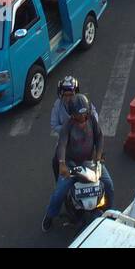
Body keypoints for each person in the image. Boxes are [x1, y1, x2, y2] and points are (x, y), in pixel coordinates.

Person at [42, 94, 114, 232]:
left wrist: (98, 156)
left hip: (90, 163)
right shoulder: (67, 127)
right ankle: (50, 215)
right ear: (72, 115)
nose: (82, 119)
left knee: (109, 185)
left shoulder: (92, 120)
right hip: (72, 166)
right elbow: (62, 145)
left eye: (85, 115)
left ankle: (109, 212)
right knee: (59, 193)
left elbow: (99, 137)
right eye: (78, 116)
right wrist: (62, 164)